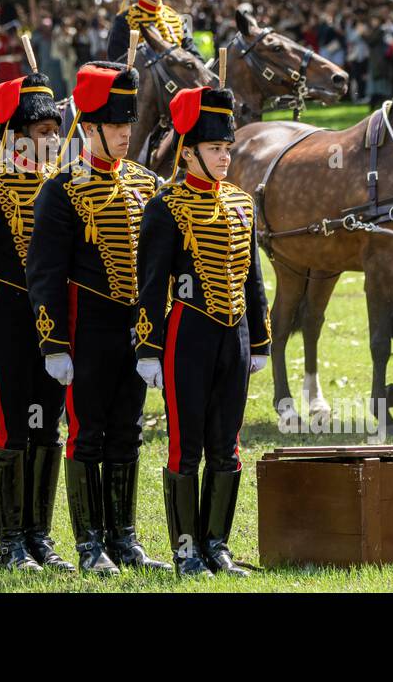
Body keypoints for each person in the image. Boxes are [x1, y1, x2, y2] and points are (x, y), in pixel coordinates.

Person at [26, 60, 168, 575]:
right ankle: (90, 543)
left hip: (135, 329)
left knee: (127, 430)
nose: (125, 134)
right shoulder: (61, 189)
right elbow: (44, 273)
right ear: (88, 129)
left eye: (128, 125)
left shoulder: (148, 184)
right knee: (88, 433)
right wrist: (53, 343)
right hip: (86, 327)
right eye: (114, 126)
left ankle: (123, 537)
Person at [135, 85, 270, 577]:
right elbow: (150, 285)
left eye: (228, 149)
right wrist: (147, 348)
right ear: (188, 152)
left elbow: (253, 276)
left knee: (227, 444)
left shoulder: (241, 203)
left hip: (233, 337)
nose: (225, 158)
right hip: (186, 333)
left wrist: (259, 339)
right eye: (215, 149)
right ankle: (186, 549)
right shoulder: (166, 206)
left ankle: (218, 545)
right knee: (184, 446)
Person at [0, 69, 75, 571]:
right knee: (13, 430)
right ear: (18, 136)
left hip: (57, 323)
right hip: (7, 314)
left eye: (54, 131)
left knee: (48, 427)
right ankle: (11, 542)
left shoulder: (66, 187)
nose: (53, 140)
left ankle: (39, 536)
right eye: (43, 133)